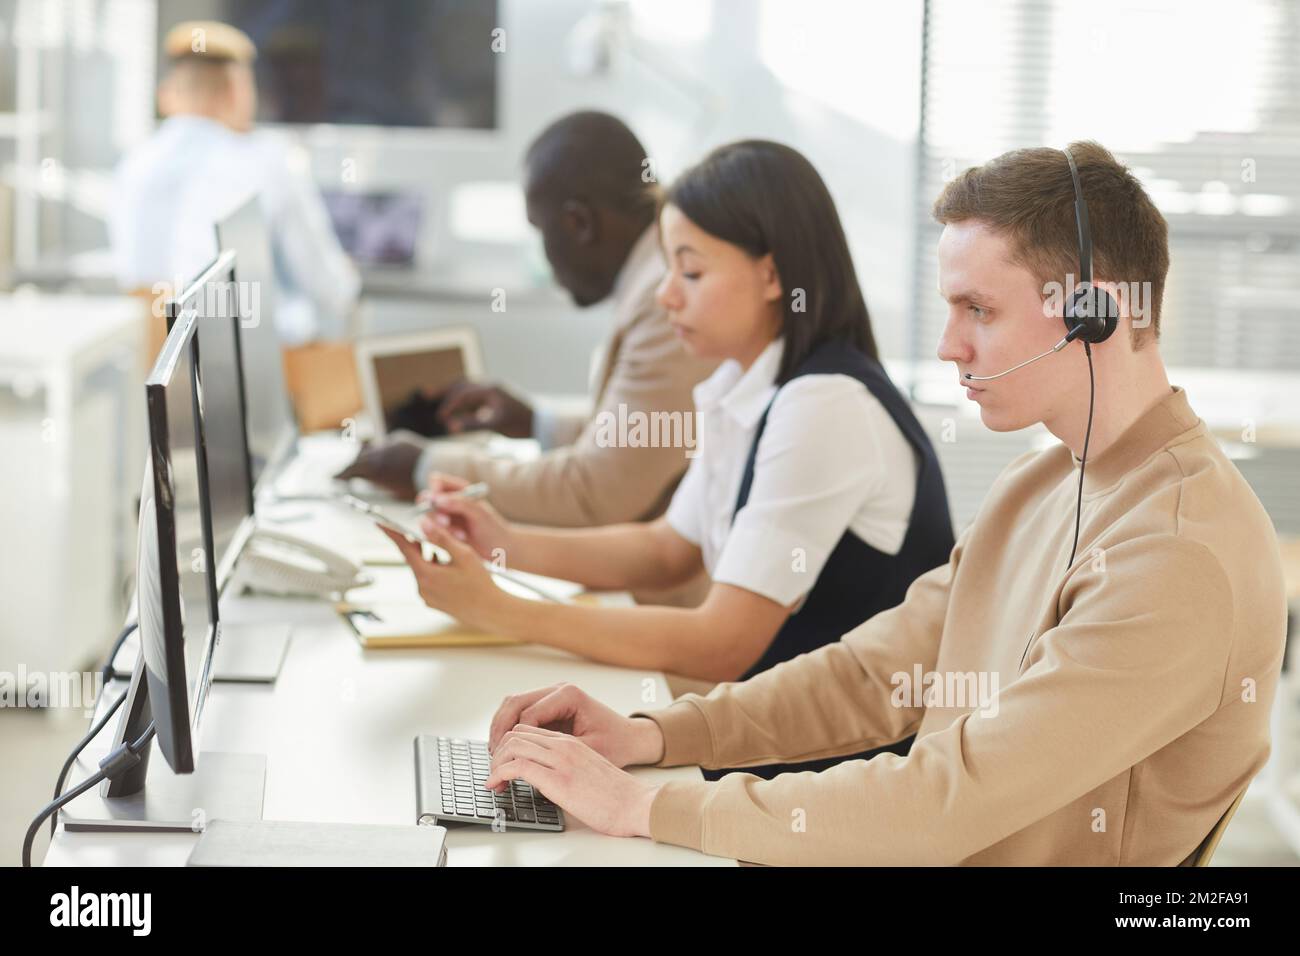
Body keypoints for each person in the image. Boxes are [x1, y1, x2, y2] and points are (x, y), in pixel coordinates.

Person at [474, 142, 1287, 865]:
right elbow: (876, 674)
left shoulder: (1178, 553)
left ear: (1092, 313)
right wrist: (655, 735)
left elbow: (954, 797)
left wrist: (645, 805)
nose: (947, 345)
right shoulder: (1043, 484)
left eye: (979, 309)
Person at [383, 140, 954, 778]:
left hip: (827, 773)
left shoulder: (825, 406)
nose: (665, 297)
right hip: (771, 744)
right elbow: (667, 548)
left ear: (772, 276)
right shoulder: (750, 386)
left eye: (690, 271)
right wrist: (505, 544)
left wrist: (502, 609)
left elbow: (721, 644)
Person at [338, 112, 716, 527]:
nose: (544, 256)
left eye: (540, 231)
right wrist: (536, 421)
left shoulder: (663, 299)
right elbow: (644, 442)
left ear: (580, 223)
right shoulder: (654, 274)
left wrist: (425, 466)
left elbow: (596, 491)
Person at [109, 20, 359, 345]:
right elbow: (332, 291)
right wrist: (347, 278)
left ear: (169, 96)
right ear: (236, 91)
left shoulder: (131, 167)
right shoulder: (268, 163)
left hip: (159, 369)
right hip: (252, 372)